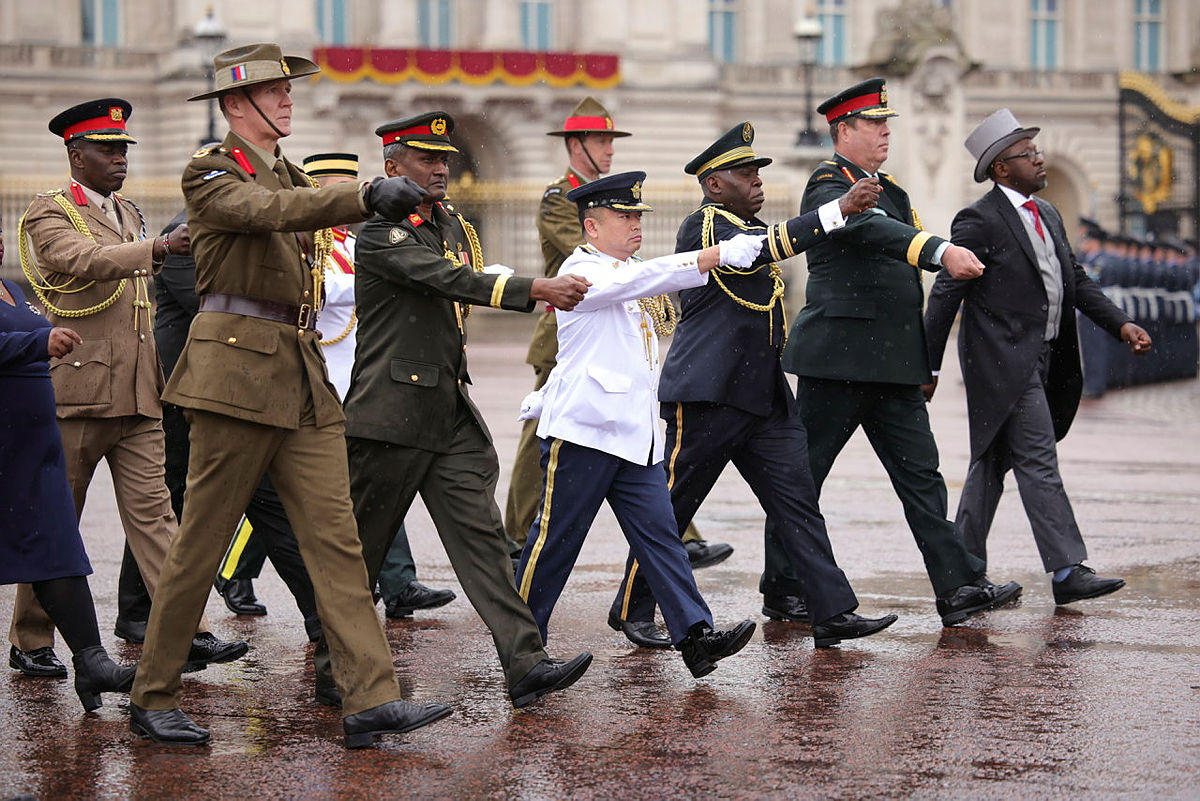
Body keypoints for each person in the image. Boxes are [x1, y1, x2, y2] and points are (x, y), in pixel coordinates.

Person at [127, 43, 451, 748]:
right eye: (274, 91)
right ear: (235, 102)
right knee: (200, 542)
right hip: (236, 372)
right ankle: (152, 692)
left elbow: (294, 205)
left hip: (299, 369)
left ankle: (371, 697)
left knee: (336, 542)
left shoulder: (291, 170)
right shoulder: (211, 170)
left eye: (288, 90)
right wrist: (363, 194)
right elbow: (267, 210)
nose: (288, 100)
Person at [341, 111, 594, 710]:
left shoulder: (448, 222)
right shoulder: (382, 231)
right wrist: (535, 289)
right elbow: (447, 279)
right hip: (390, 413)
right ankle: (336, 666)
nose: (440, 169)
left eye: (444, 159)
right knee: (360, 554)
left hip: (445, 408)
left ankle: (525, 661)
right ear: (391, 167)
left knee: (482, 542)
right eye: (426, 159)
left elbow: (465, 271)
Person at [609, 121, 896, 648]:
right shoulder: (704, 227)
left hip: (762, 396)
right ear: (715, 185)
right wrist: (838, 210)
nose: (757, 180)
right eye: (745, 173)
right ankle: (632, 607)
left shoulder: (740, 227)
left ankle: (831, 612)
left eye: (759, 171)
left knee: (797, 502)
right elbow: (765, 248)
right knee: (671, 507)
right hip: (708, 395)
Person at [13, 99, 248, 678]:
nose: (120, 158)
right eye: (107, 149)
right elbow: (80, 261)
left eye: (123, 148)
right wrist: (158, 248)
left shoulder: (131, 211)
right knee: (56, 523)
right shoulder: (50, 213)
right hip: (78, 392)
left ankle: (185, 630)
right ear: (76, 154)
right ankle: (31, 638)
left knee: (157, 519)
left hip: (140, 392)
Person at [777, 78, 1023, 627]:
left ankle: (957, 586)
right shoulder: (825, 185)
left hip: (890, 361)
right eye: (874, 124)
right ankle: (783, 586)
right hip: (837, 361)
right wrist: (939, 250)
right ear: (844, 131)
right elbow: (867, 229)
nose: (887, 131)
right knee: (803, 479)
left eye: (887, 123)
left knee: (922, 477)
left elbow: (894, 232)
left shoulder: (891, 188)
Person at [515, 170, 760, 677]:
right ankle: (520, 647)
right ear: (590, 227)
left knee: (662, 538)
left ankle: (695, 635)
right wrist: (711, 255)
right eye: (623, 217)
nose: (635, 225)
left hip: (633, 434)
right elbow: (636, 282)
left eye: (636, 216)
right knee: (555, 542)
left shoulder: (630, 269)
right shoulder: (582, 270)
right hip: (584, 431)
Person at [924, 109, 1151, 605]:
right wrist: (930, 365)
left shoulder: (1047, 214)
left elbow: (1076, 280)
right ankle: (1068, 570)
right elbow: (945, 295)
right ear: (1002, 168)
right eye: (1030, 154)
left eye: (1037, 150)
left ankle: (961, 573)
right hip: (1003, 363)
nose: (1041, 159)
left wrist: (1119, 323)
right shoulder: (979, 220)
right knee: (1038, 459)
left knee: (991, 463)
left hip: (1045, 358)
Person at [505, 97, 733, 581]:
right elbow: (590, 260)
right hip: (572, 329)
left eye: (611, 141)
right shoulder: (560, 198)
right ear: (575, 144)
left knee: (634, 438)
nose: (608, 150)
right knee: (545, 436)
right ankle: (516, 533)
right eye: (600, 141)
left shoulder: (608, 204)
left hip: (619, 326)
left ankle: (679, 535)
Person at [152, 202, 324, 642]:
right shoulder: (183, 238)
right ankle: (145, 618)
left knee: (266, 503)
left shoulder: (228, 238)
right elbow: (218, 306)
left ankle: (320, 617)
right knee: (171, 503)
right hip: (187, 390)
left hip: (238, 391)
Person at [300, 151, 456, 621]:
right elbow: (321, 291)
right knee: (289, 491)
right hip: (323, 378)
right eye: (334, 191)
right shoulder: (315, 244)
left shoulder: (351, 242)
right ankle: (237, 570)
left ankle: (397, 582)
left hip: (361, 380)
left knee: (372, 488)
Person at [0, 225, 136, 712]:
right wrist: (38, 345)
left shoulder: (13, 289)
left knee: (55, 546)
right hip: (6, 448)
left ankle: (91, 661)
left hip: (33, 449)